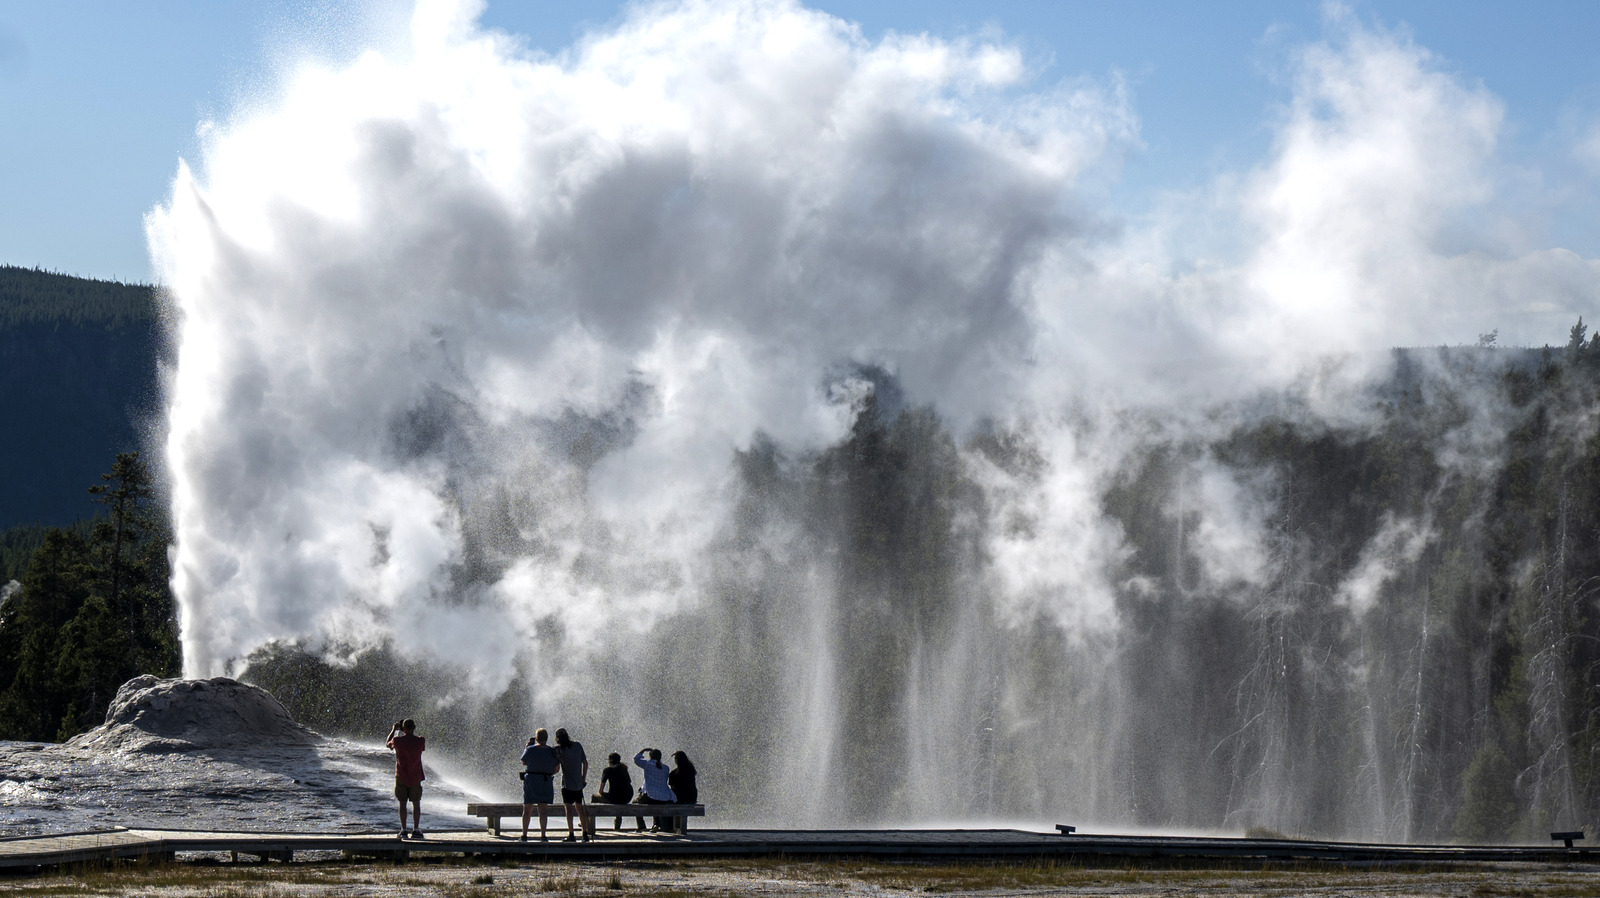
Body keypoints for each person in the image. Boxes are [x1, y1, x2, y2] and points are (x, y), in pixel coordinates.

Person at [386, 719, 425, 840]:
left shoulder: (397, 741)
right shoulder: (420, 740)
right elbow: (421, 748)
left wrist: (394, 730)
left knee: (402, 803)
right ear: (414, 727)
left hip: (401, 775)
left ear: (403, 728)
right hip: (416, 776)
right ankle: (416, 829)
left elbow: (388, 744)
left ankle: (403, 830)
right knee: (416, 803)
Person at [519, 728, 561, 842]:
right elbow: (557, 769)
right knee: (543, 810)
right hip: (545, 780)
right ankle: (543, 835)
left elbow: (524, 762)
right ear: (547, 738)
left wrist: (526, 747)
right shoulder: (552, 751)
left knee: (527, 809)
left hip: (531, 780)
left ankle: (524, 835)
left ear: (536, 738)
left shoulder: (530, 749)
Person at [553, 727, 593, 841]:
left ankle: (571, 834)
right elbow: (585, 763)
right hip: (578, 784)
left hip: (567, 784)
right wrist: (583, 779)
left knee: (568, 809)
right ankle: (584, 833)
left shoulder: (558, 750)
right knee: (580, 808)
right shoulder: (577, 745)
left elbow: (556, 767)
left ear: (557, 738)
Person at [633, 747, 676, 833]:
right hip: (665, 797)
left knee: (635, 803)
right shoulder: (666, 768)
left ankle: (641, 826)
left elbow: (636, 759)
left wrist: (643, 750)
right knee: (656, 801)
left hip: (652, 797)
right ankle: (656, 824)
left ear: (650, 756)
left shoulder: (648, 764)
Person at [596, 752, 643, 832]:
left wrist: (604, 794)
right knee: (618, 796)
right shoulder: (624, 768)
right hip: (627, 797)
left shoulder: (607, 770)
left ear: (610, 761)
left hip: (616, 798)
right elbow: (629, 781)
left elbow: (600, 790)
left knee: (595, 797)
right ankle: (617, 826)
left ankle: (587, 822)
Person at [668, 750, 698, 833]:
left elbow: (672, 789)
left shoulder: (674, 773)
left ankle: (672, 828)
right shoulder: (691, 770)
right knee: (679, 805)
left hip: (680, 799)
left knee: (669, 803)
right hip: (692, 798)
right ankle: (679, 827)